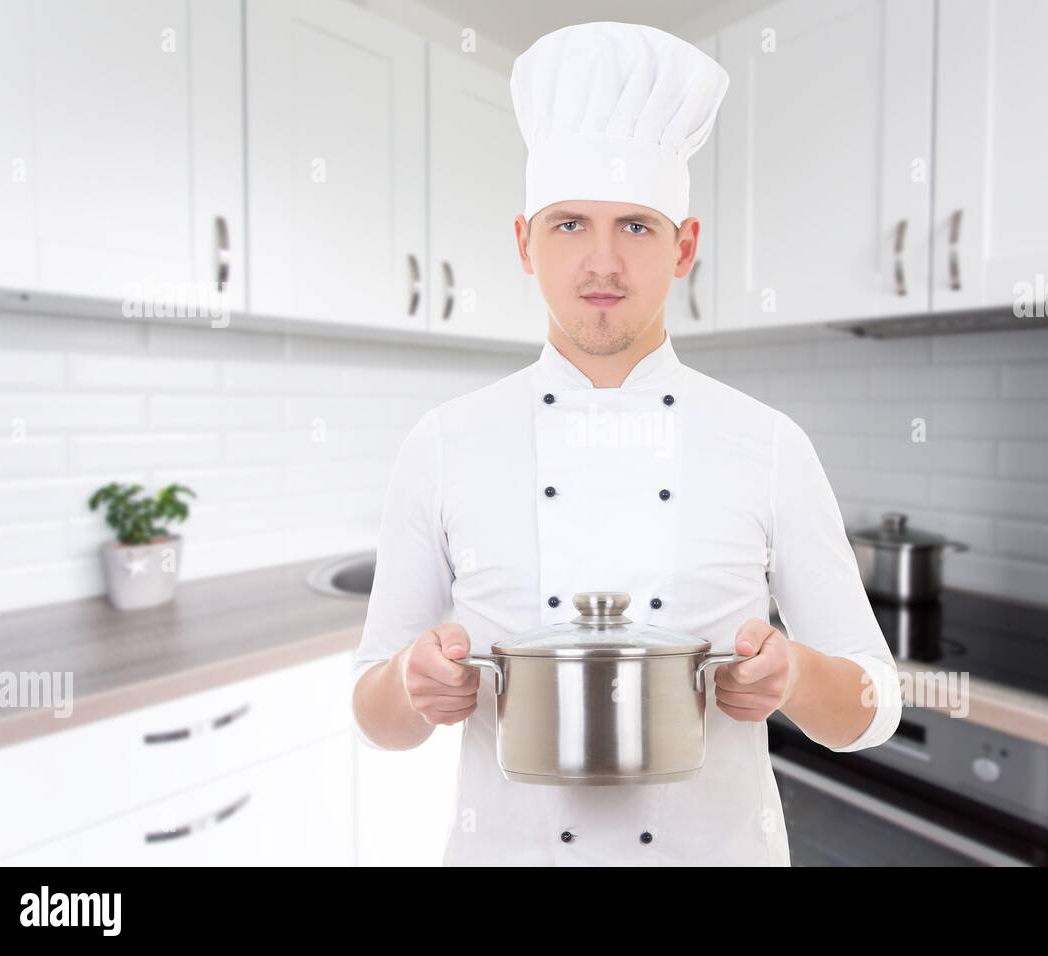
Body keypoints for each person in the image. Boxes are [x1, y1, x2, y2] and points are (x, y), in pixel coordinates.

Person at [351, 20, 901, 866]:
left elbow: (874, 703)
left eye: (636, 227)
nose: (601, 263)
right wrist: (412, 685)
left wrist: (795, 675)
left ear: (684, 246)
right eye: (568, 224)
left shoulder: (769, 444)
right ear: (523, 244)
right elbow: (376, 716)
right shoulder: (443, 446)